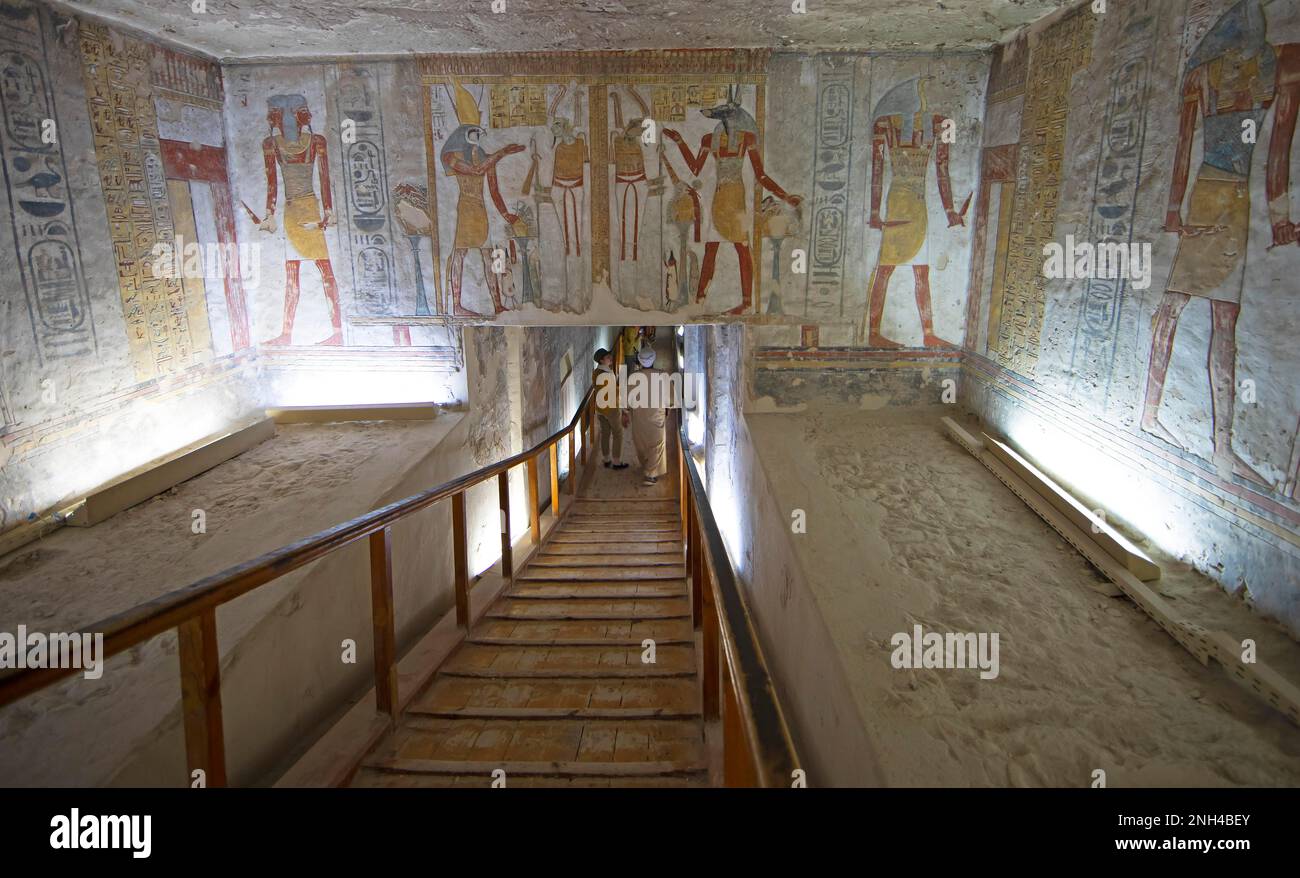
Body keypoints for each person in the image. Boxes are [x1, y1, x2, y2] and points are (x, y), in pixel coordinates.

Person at [629, 344, 668, 487]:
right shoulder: (662, 375)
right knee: (656, 444)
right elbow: (669, 398)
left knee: (641, 442)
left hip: (639, 416)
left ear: (639, 360)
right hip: (655, 415)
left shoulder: (634, 377)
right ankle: (650, 474)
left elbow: (629, 399)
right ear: (654, 359)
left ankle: (646, 464)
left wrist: (626, 413)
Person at [593, 348, 629, 469]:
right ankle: (616, 461)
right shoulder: (607, 374)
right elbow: (612, 392)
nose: (610, 358)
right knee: (618, 433)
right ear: (601, 360)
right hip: (611, 409)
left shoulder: (596, 372)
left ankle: (606, 459)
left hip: (600, 409)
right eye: (607, 357)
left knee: (605, 433)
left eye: (609, 356)